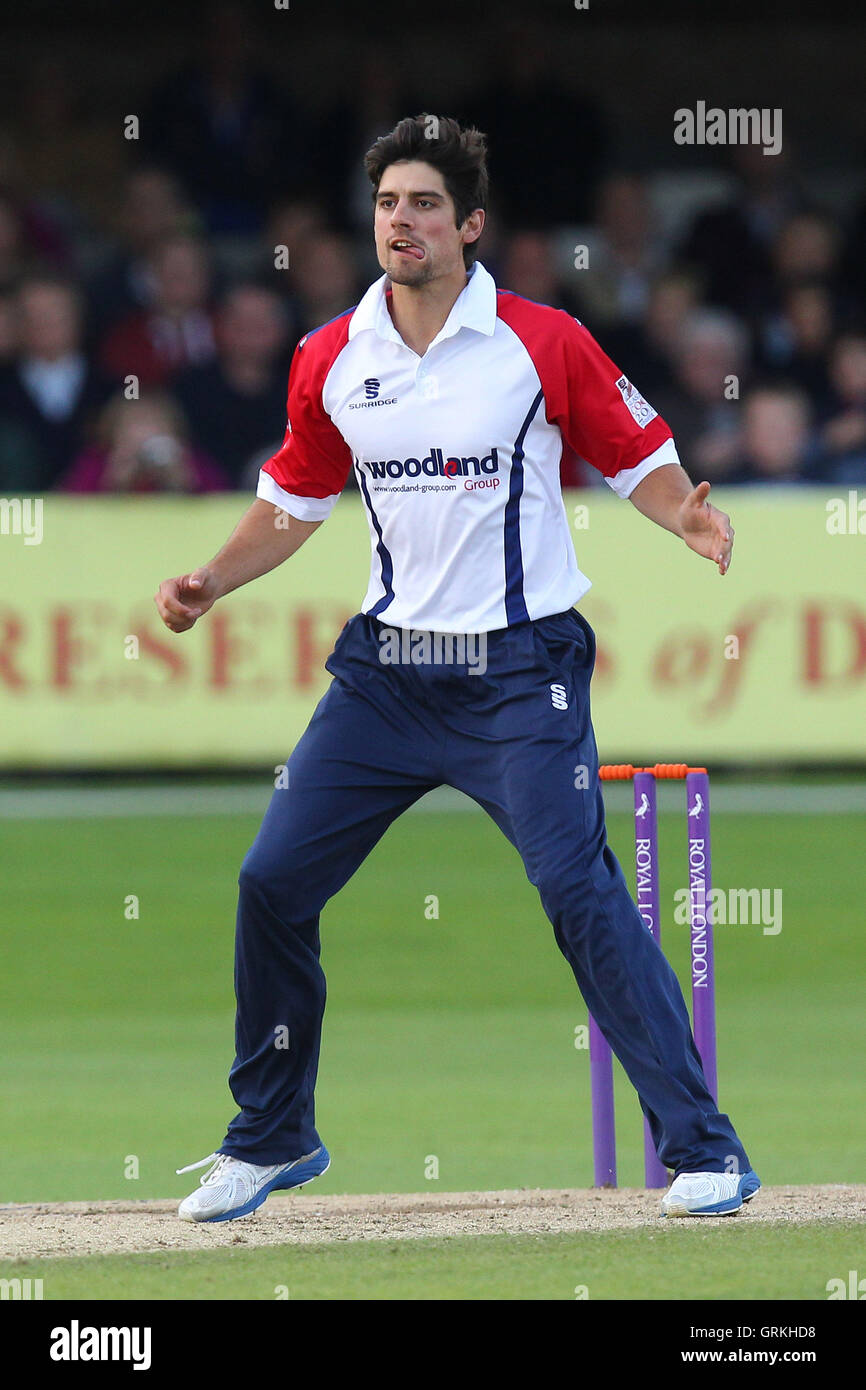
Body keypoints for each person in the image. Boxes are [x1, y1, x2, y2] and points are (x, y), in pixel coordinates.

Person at [156, 116, 759, 1224]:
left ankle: (703, 1147)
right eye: (388, 203)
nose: (403, 221)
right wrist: (209, 579)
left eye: (426, 203)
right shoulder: (332, 355)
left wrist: (687, 520)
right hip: (386, 676)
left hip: (517, 672)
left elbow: (638, 456)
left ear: (468, 224)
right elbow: (292, 504)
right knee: (270, 882)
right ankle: (272, 1135)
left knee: (576, 889)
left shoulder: (539, 339)